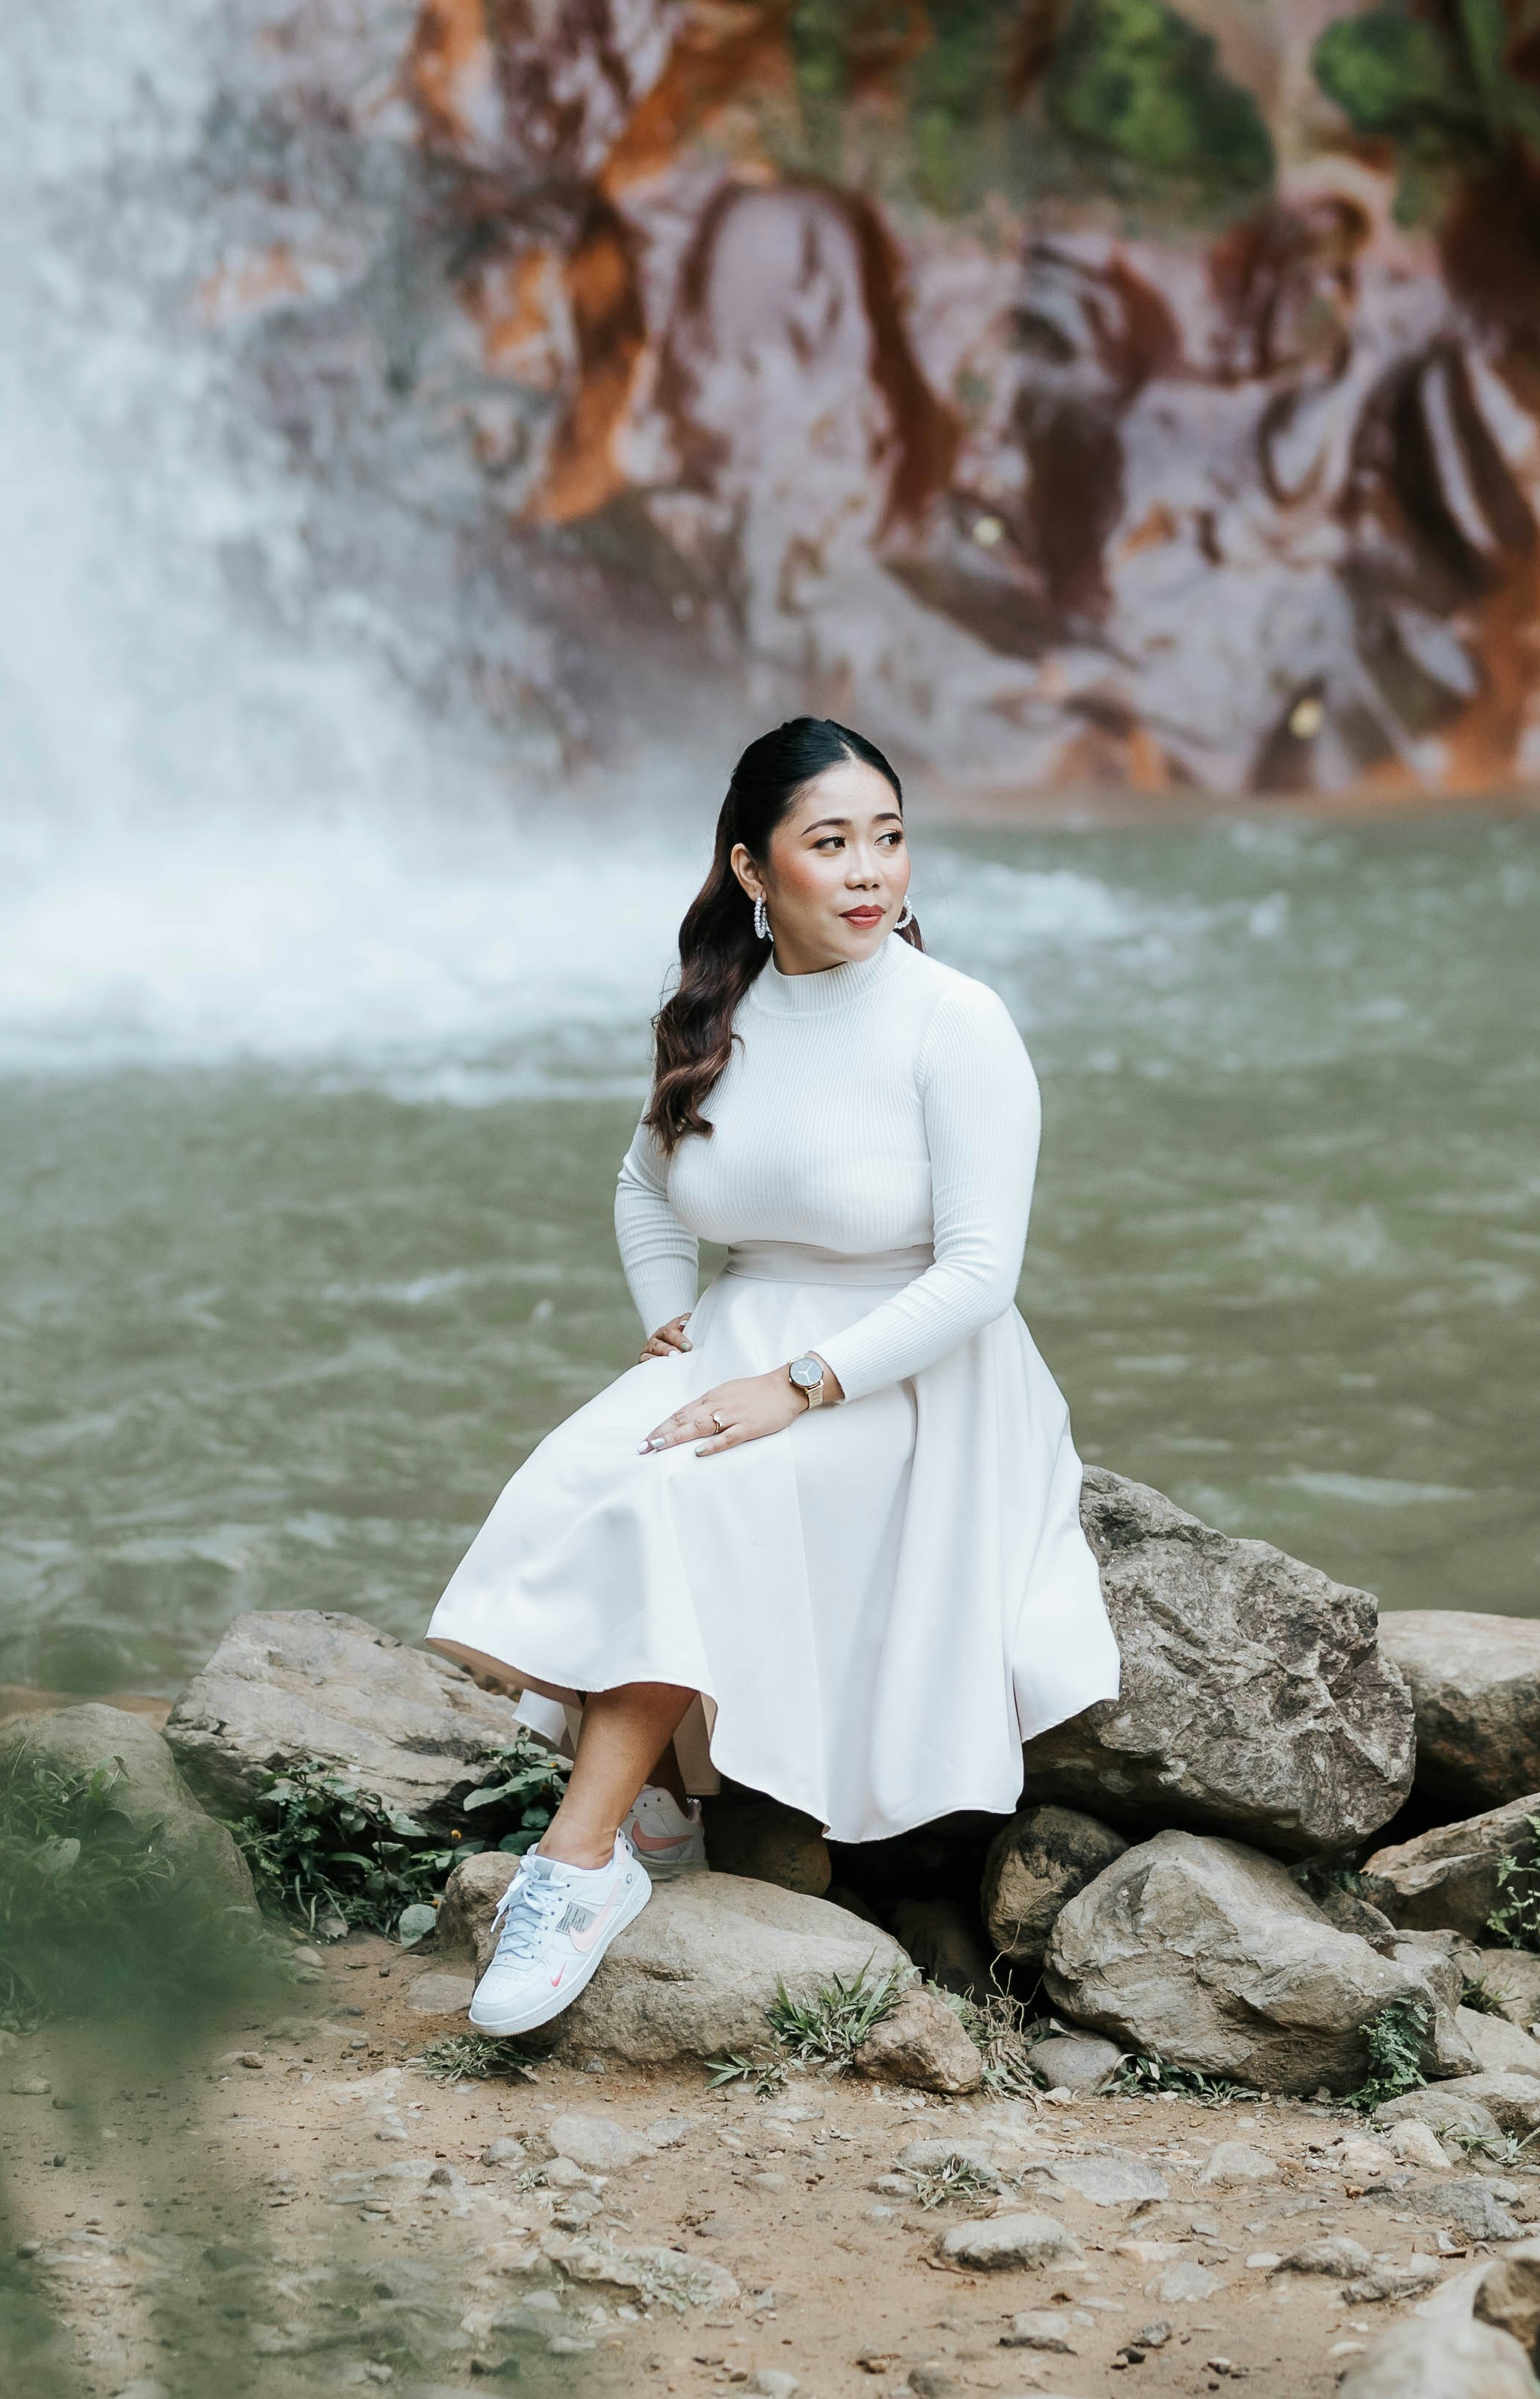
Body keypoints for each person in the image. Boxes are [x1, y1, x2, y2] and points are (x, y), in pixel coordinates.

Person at [427, 716, 1119, 2036]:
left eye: (891, 838)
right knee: (591, 1467)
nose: (871, 873)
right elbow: (645, 1188)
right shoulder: (715, 1014)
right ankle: (674, 1810)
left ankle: (578, 1865)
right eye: (832, 844)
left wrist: (797, 1383)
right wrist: (672, 1322)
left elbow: (981, 1272)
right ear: (754, 870)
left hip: (918, 1371)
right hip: (750, 1336)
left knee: (681, 1496)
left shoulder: (953, 1022)